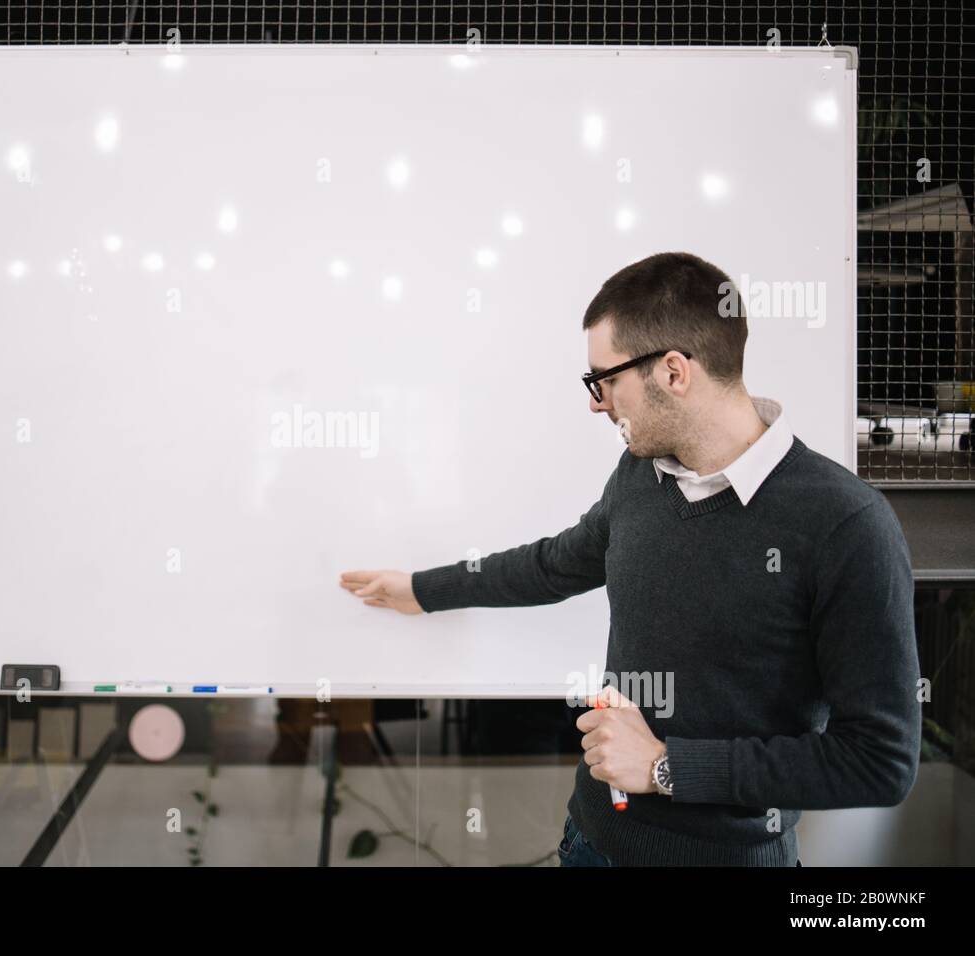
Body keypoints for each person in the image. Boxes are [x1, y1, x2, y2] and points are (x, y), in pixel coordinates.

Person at [339, 251, 921, 866]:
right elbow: (555, 564)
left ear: (673, 372)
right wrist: (422, 589)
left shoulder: (847, 526)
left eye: (605, 379)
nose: (597, 403)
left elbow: (878, 762)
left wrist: (667, 768)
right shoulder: (643, 474)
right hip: (591, 841)